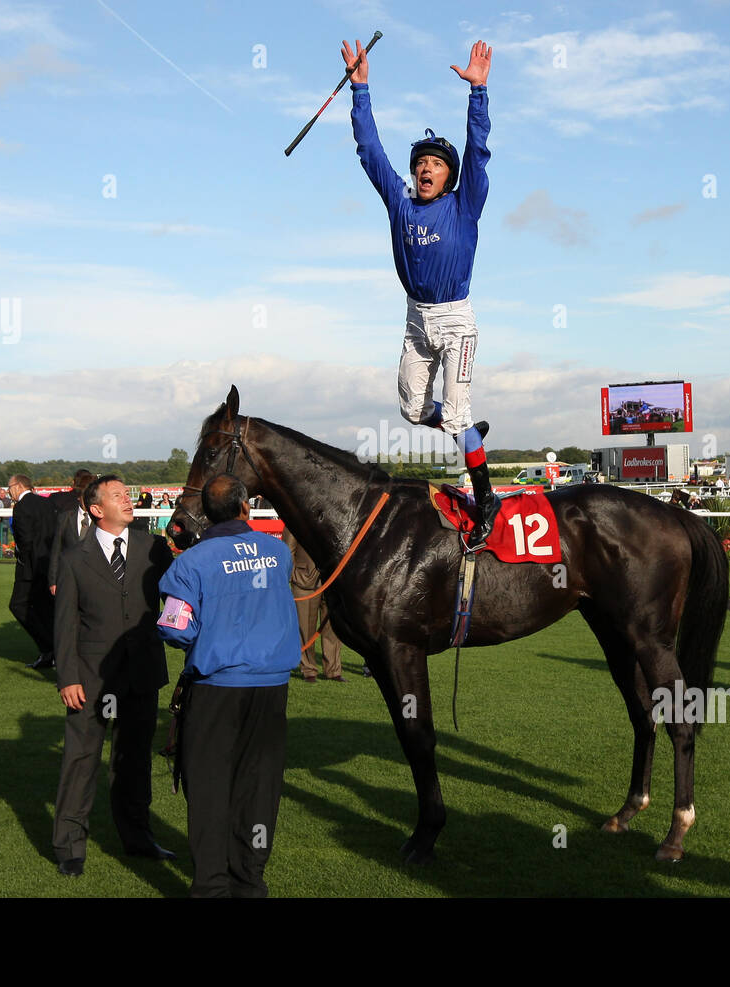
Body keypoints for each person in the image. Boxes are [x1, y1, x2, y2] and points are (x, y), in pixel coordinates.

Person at [344, 37, 499, 549]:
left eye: (436, 164)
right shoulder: (400, 204)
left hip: (456, 321)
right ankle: (465, 430)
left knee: (453, 416)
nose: (425, 168)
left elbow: (478, 149)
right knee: (413, 410)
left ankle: (486, 497)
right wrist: (361, 89)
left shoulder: (465, 204)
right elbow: (371, 151)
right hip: (416, 319)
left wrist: (478, 92)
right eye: (421, 163)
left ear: (450, 176)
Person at [157, 473, 300, 897]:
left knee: (208, 786)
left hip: (216, 686)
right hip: (271, 687)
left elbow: (176, 629)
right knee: (259, 786)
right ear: (246, 508)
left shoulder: (190, 562)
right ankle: (249, 880)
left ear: (205, 512)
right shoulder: (277, 552)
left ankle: (211, 886)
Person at [52, 475, 175, 876]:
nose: (128, 499)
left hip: (141, 673)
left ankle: (138, 838)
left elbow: (178, 592)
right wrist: (68, 677)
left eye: (128, 493)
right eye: (118, 495)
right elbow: (65, 624)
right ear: (96, 509)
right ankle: (70, 846)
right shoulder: (74, 557)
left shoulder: (154, 547)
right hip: (88, 679)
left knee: (134, 761)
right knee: (80, 761)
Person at [281, 527, 345, 683]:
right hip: (304, 581)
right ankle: (309, 670)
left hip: (331, 580)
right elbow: (287, 550)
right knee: (305, 628)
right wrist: (294, 575)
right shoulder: (295, 518)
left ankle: (333, 670)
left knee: (332, 628)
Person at [8, 474, 57, 669]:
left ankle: (49, 648)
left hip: (30, 568)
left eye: (10, 487)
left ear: (19, 486)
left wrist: (22, 560)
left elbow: (25, 541)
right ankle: (52, 652)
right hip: (49, 564)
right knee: (45, 609)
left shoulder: (21, 507)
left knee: (18, 605)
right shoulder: (45, 503)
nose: (9, 491)